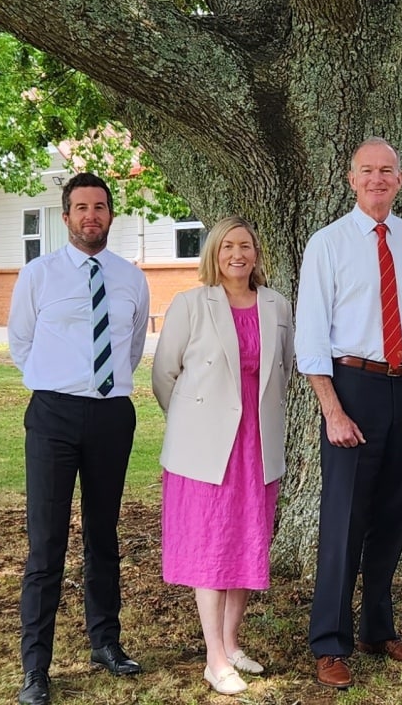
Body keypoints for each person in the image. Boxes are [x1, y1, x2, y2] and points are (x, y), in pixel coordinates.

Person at [295, 137, 402, 689]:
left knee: (394, 515)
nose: (378, 179)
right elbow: (310, 336)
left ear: (400, 180)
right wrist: (332, 408)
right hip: (353, 385)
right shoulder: (327, 244)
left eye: (387, 171)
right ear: (351, 180)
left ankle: (379, 628)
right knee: (345, 518)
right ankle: (329, 642)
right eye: (367, 171)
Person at [8, 173, 150, 705]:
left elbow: (131, 347)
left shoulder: (131, 278)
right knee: (46, 545)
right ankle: (36, 668)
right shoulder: (38, 275)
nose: (91, 216)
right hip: (52, 416)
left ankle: (105, 642)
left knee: (102, 535)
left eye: (100, 207)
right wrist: (60, 383)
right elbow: (21, 341)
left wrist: (100, 388)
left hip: (111, 415)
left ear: (111, 215)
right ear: (65, 216)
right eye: (81, 208)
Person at [151, 216, 294, 696]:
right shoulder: (190, 305)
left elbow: (285, 371)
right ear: (214, 252)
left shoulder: (277, 305)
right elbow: (164, 375)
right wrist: (197, 423)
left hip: (257, 447)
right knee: (210, 551)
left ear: (257, 253)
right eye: (228, 245)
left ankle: (231, 644)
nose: (238, 254)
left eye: (247, 245)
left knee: (245, 546)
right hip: (205, 451)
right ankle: (214, 658)